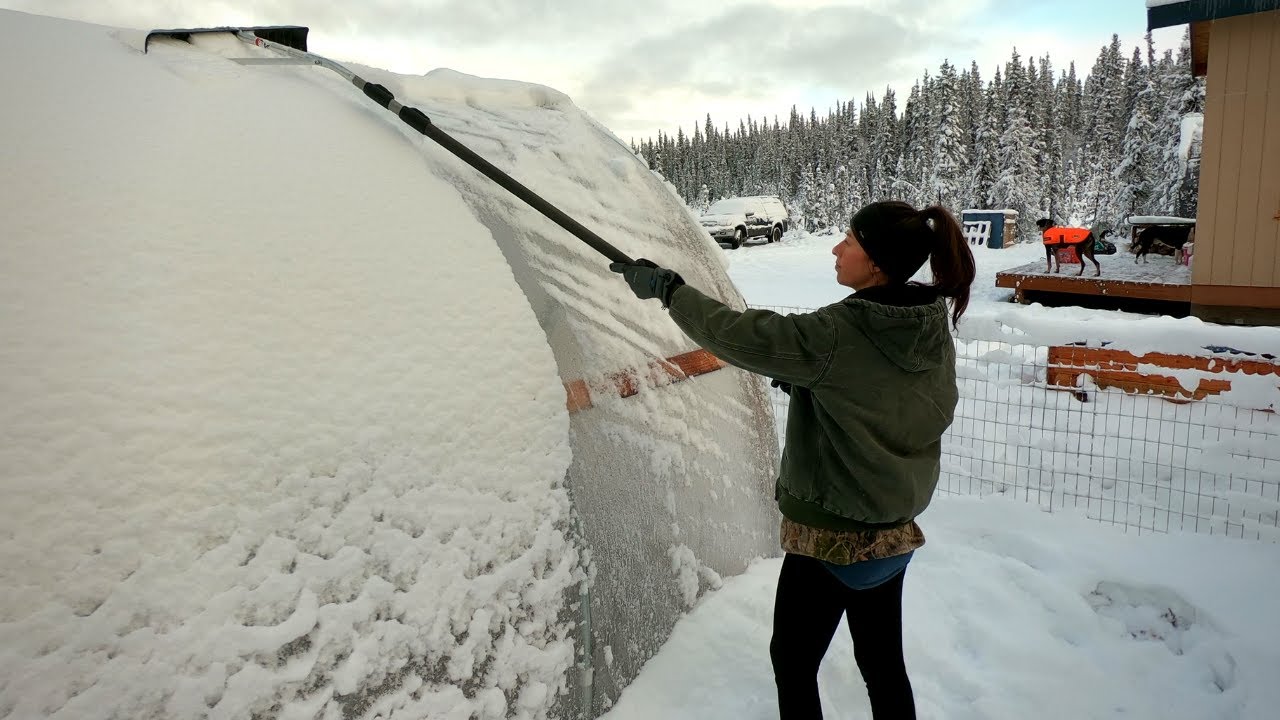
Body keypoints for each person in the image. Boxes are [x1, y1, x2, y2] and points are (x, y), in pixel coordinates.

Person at [610, 200, 975, 719]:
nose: (836, 248)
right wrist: (820, 389)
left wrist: (671, 291)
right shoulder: (926, 324)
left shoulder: (837, 333)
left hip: (831, 537)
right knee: (882, 663)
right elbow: (899, 400)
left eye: (848, 241)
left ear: (876, 263)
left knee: (793, 660)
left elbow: (741, 337)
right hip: (892, 530)